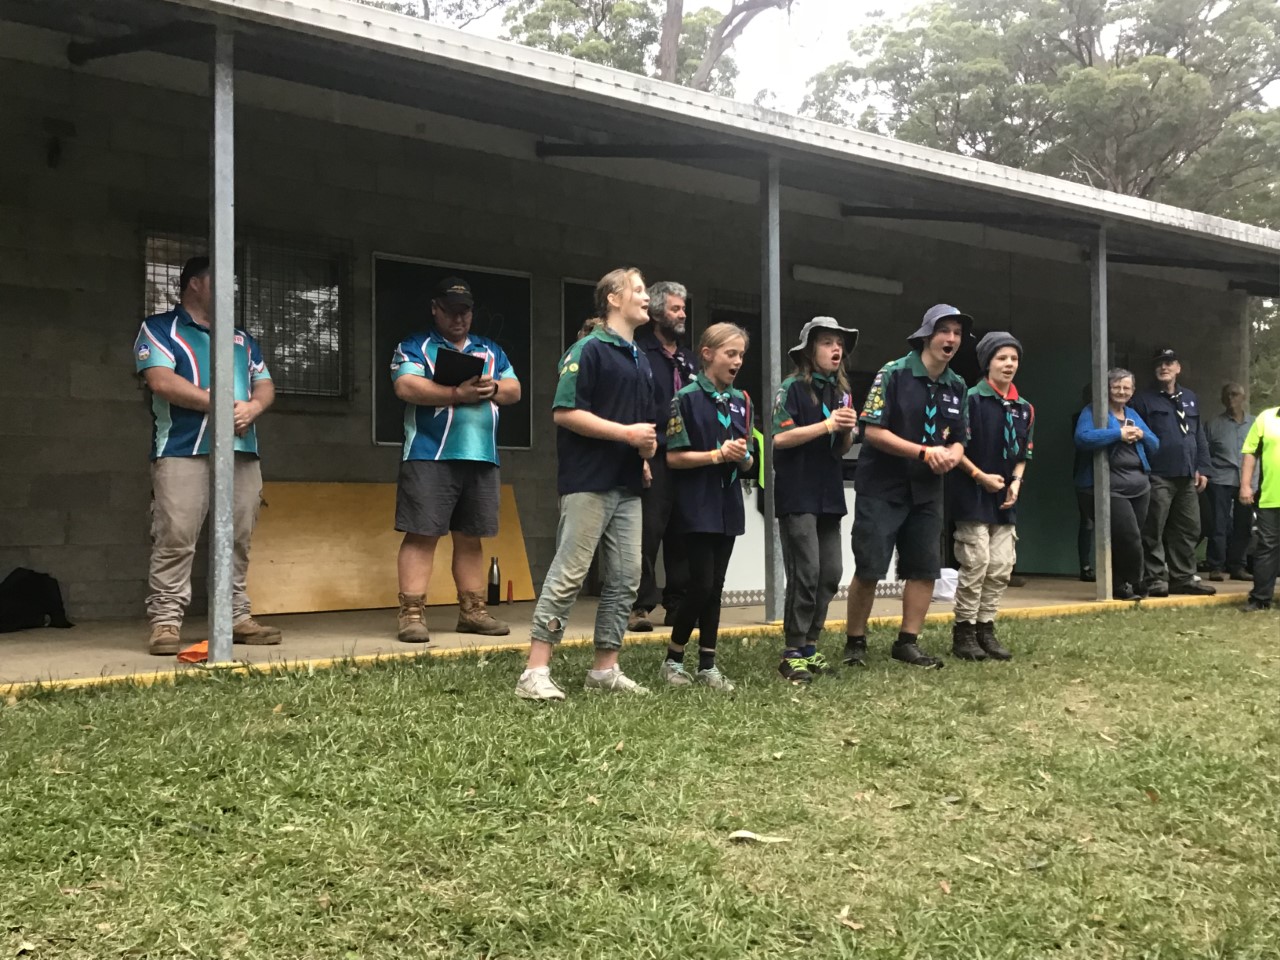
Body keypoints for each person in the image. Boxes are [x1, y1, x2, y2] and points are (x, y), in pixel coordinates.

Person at [516, 268, 658, 701]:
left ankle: (605, 668)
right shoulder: (588, 350)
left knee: (625, 577)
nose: (645, 296)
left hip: (628, 483)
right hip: (588, 482)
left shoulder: (640, 359)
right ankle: (535, 671)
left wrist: (644, 455)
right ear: (613, 299)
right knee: (570, 571)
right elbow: (565, 412)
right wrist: (628, 434)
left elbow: (636, 423)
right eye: (637, 289)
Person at [134, 256, 281, 655]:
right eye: (221, 280)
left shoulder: (241, 337)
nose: (230, 289)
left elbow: (264, 385)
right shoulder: (160, 328)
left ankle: (235, 616)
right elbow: (161, 381)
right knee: (176, 536)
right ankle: (165, 622)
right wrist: (218, 404)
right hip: (183, 448)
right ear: (195, 284)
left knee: (238, 537)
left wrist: (253, 408)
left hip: (241, 451)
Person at [389, 276, 522, 643]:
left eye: (465, 312)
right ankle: (412, 612)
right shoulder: (416, 345)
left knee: (471, 537)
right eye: (450, 311)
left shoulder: (491, 349)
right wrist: (456, 393)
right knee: (422, 534)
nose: (459, 319)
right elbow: (405, 386)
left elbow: (514, 389)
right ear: (435, 309)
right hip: (429, 454)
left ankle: (473, 610)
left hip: (481, 456)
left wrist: (491, 387)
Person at [843, 304, 971, 670]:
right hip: (883, 485)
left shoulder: (957, 385)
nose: (951, 339)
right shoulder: (894, 373)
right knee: (869, 566)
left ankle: (908, 642)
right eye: (944, 331)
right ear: (927, 335)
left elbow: (961, 437)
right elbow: (871, 431)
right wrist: (923, 452)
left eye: (957, 333)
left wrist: (952, 454)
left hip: (928, 490)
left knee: (924, 567)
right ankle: (855, 641)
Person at [659, 323, 754, 691]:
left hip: (728, 503)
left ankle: (707, 665)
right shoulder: (684, 399)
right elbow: (675, 458)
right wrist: (717, 455)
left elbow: (748, 460)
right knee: (699, 584)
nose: (737, 361)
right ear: (708, 354)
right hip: (697, 504)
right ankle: (673, 658)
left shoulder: (741, 400)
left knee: (716, 586)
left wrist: (743, 458)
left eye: (741, 355)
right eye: (731, 353)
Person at [771, 317, 859, 684]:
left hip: (829, 492)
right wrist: (826, 426)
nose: (835, 349)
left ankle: (811, 645)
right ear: (809, 350)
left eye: (839, 343)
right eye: (826, 342)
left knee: (831, 573)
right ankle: (792, 651)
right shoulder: (791, 388)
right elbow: (779, 438)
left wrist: (847, 432)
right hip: (798, 492)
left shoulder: (841, 392)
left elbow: (841, 448)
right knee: (805, 572)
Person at [949, 333, 1034, 661]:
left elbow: (1023, 452)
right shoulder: (969, 400)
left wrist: (1016, 481)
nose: (1009, 364)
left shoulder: (1024, 408)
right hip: (972, 492)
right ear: (988, 364)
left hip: (1004, 496)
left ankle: (986, 628)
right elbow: (956, 447)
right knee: (976, 561)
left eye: (1013, 359)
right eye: (1002, 358)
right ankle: (964, 631)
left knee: (1001, 565)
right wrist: (979, 476)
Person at [629, 281, 696, 632]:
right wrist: (640, 455)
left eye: (683, 308)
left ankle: (678, 604)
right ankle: (639, 606)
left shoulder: (689, 360)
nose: (682, 314)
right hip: (653, 452)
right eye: (675, 308)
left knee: (682, 532)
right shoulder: (639, 353)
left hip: (686, 456)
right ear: (655, 313)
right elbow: (633, 407)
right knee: (647, 530)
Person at [1130, 349, 1213, 596]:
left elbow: (1198, 435)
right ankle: (1154, 578)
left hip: (1187, 475)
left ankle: (1183, 577)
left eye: (1168, 363)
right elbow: (1137, 438)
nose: (1164, 368)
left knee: (1189, 528)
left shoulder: (1190, 397)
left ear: (1178, 368)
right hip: (1158, 474)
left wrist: (1203, 467)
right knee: (1153, 528)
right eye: (1159, 365)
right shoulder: (1143, 399)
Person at [1074, 368, 1161, 600]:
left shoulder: (1132, 413)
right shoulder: (1093, 411)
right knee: (1128, 536)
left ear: (1132, 391)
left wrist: (1141, 434)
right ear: (1106, 389)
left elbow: (1155, 443)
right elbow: (1082, 438)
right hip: (1106, 488)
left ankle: (1119, 586)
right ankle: (1138, 581)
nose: (1121, 391)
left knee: (1127, 538)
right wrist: (1118, 434)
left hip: (1139, 487)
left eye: (1126, 388)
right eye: (1116, 387)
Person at [1203, 383, 1256, 582]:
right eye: (1227, 395)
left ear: (1243, 398)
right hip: (1220, 479)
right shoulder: (1213, 424)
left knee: (1244, 525)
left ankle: (1238, 566)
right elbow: (1205, 453)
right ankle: (1216, 566)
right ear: (1222, 400)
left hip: (1248, 481)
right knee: (1219, 524)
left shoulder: (1255, 423)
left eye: (1235, 394)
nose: (1231, 398)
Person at [1240, 405, 1280, 613]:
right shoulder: (1266, 417)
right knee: (1266, 547)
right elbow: (1249, 452)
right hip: (1270, 497)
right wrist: (1246, 485)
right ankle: (1260, 599)